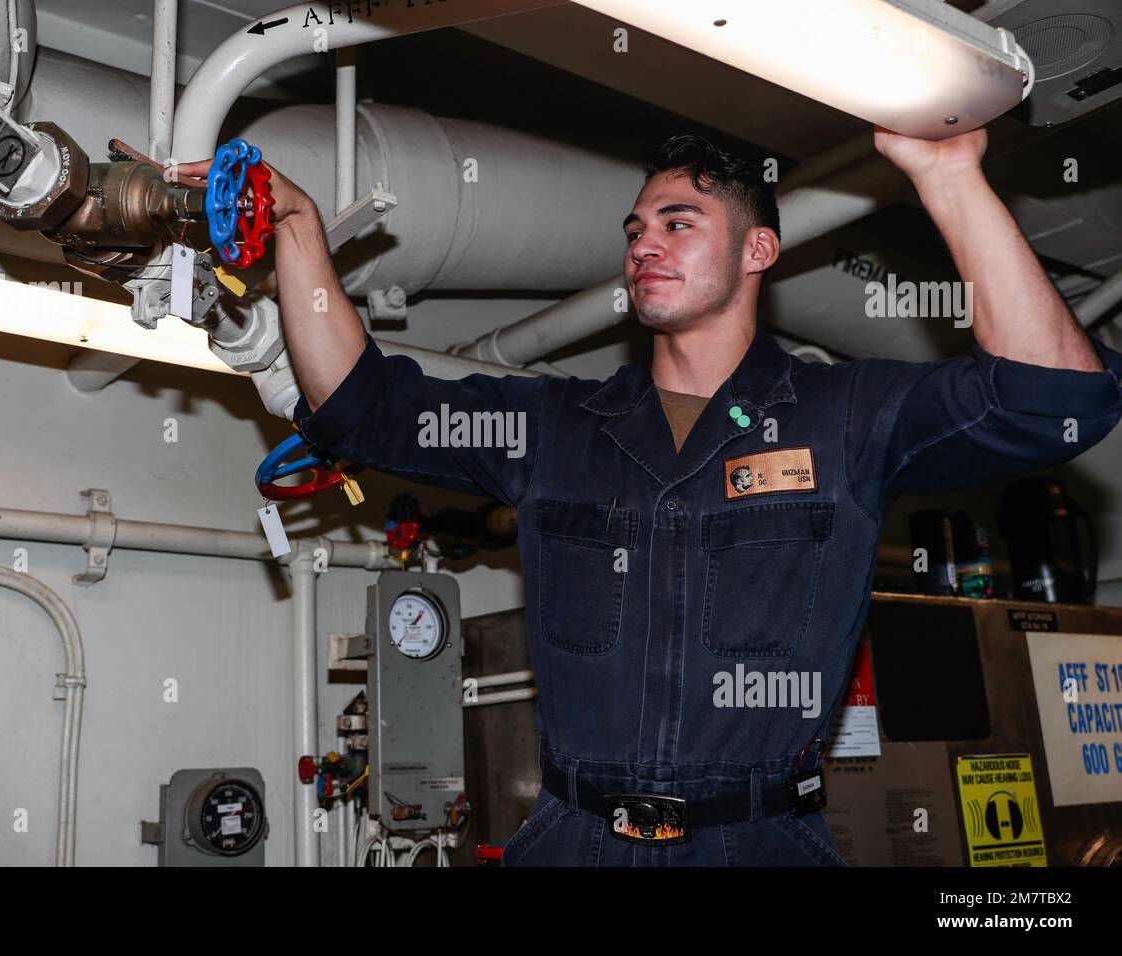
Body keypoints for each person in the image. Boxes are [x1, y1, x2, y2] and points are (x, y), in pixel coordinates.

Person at [173, 124, 1122, 865]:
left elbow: (1060, 401)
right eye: (635, 229)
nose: (645, 245)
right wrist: (297, 225)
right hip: (571, 838)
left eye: (679, 224)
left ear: (759, 251)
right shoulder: (556, 425)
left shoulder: (847, 416)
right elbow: (360, 412)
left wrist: (949, 177)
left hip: (759, 845)